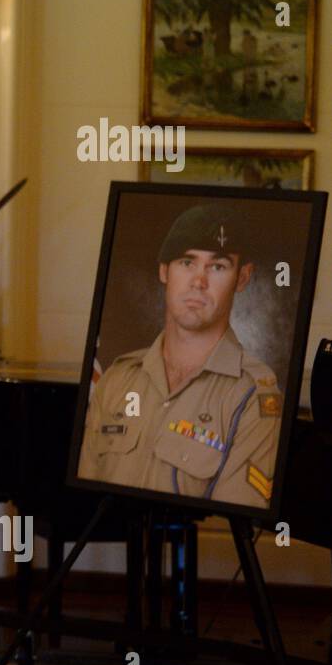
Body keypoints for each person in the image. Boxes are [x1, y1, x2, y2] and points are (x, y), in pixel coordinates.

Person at [78, 203, 280, 509]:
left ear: (242, 278)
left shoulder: (253, 396)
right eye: (187, 262)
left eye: (218, 266)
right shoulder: (117, 379)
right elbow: (87, 502)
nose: (199, 281)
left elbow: (230, 527)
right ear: (164, 270)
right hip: (119, 550)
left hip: (196, 555)